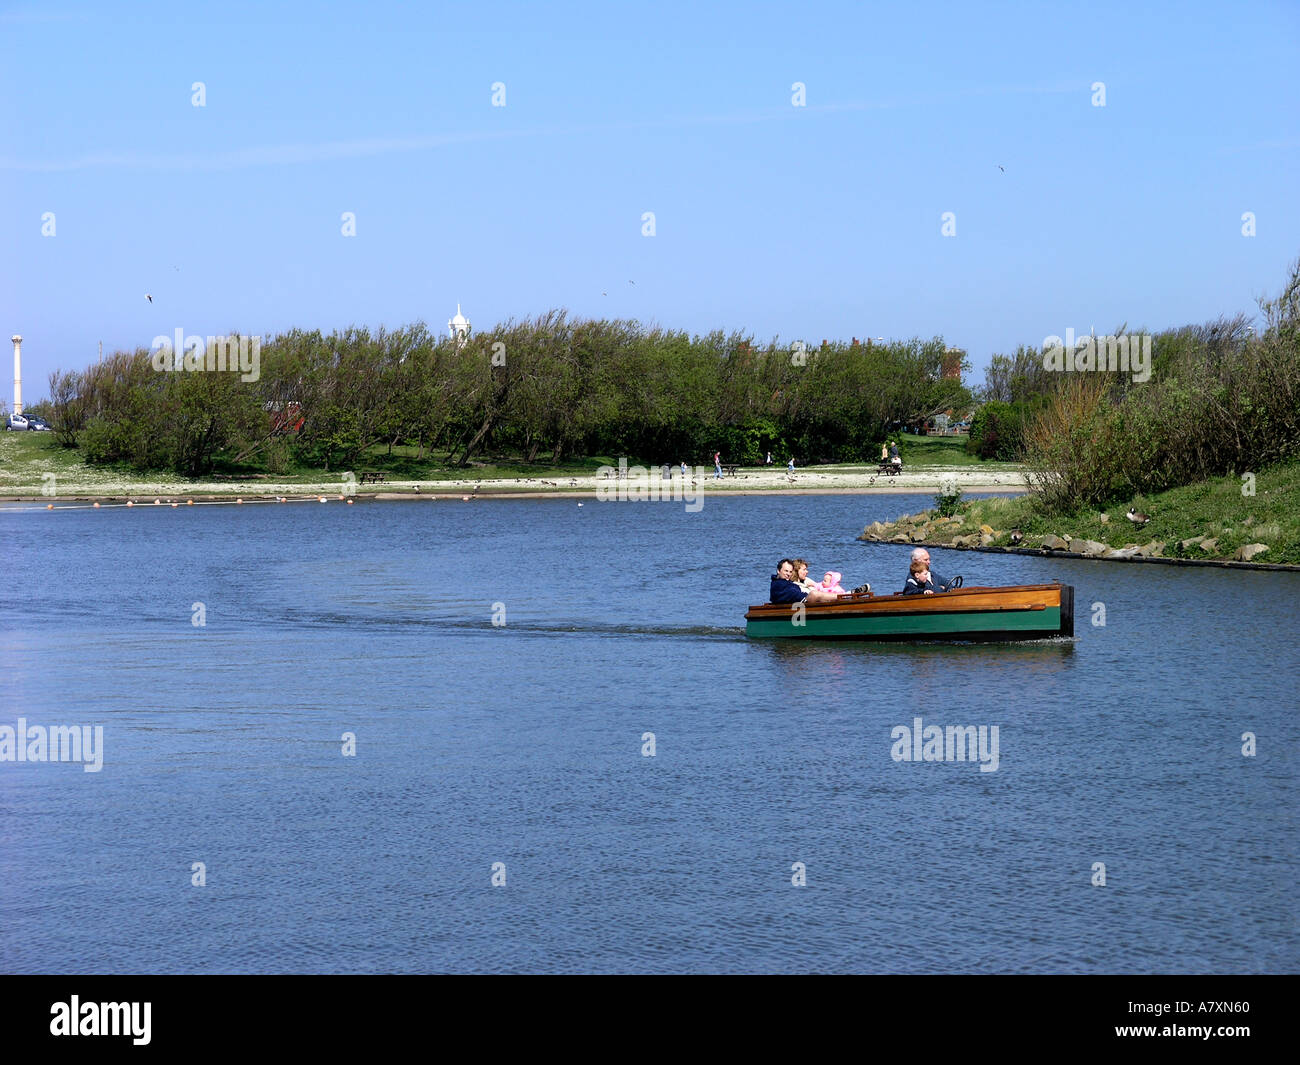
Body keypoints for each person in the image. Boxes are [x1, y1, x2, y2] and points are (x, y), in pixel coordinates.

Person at [770, 559, 839, 605]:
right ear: (778, 571)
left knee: (817, 595)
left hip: (800, 602)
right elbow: (792, 594)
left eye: (790, 572)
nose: (788, 574)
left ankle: (840, 598)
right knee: (814, 594)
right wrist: (805, 595)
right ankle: (841, 596)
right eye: (786, 571)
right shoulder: (777, 584)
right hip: (800, 603)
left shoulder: (787, 582)